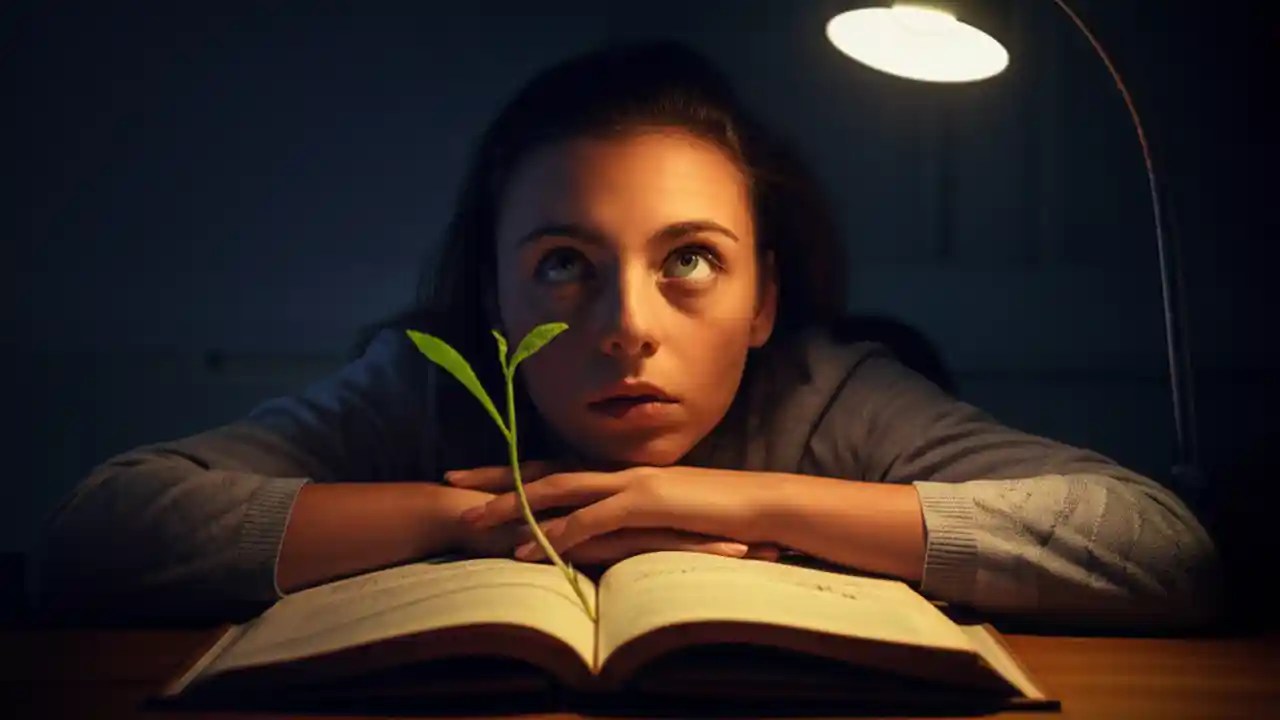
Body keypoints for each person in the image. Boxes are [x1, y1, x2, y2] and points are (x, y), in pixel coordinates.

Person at [32, 40, 1219, 628]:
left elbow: (1160, 550)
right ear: (492, 299)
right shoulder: (419, 388)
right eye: (563, 268)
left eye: (689, 260)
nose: (625, 329)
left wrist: (714, 503)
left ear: (761, 299)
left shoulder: (825, 390)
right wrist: (486, 516)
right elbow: (96, 535)